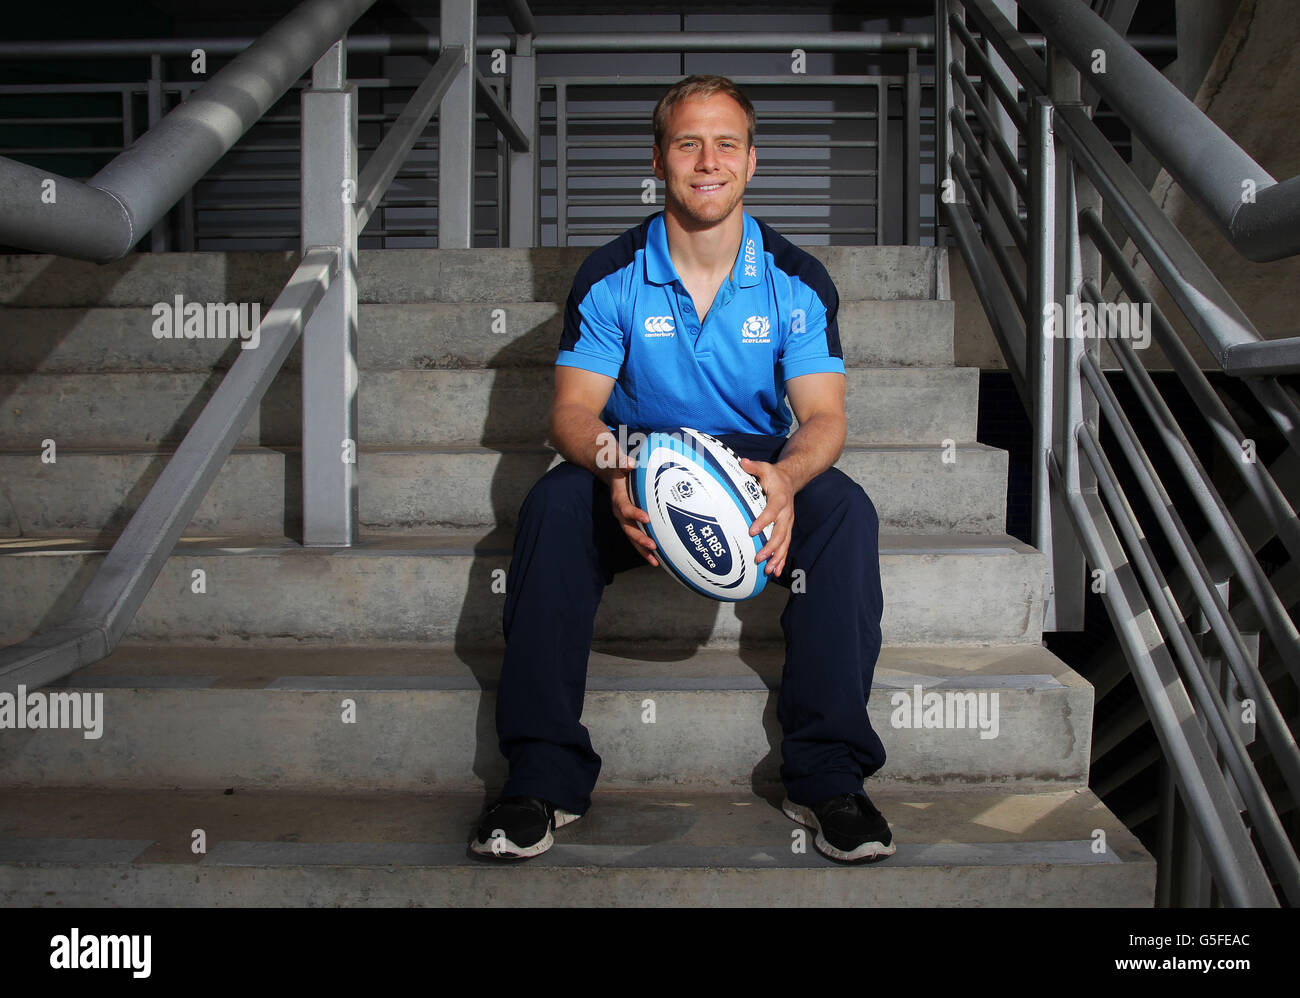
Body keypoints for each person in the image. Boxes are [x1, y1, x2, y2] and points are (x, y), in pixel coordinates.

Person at [469, 74, 892, 865]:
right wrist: (615, 465)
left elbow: (825, 418)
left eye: (726, 143)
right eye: (688, 143)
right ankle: (541, 777)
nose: (708, 160)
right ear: (659, 160)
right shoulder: (611, 273)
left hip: (751, 461)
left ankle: (829, 777)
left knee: (847, 512)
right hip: (641, 452)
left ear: (752, 161)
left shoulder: (797, 280)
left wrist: (789, 480)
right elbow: (570, 412)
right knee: (553, 510)